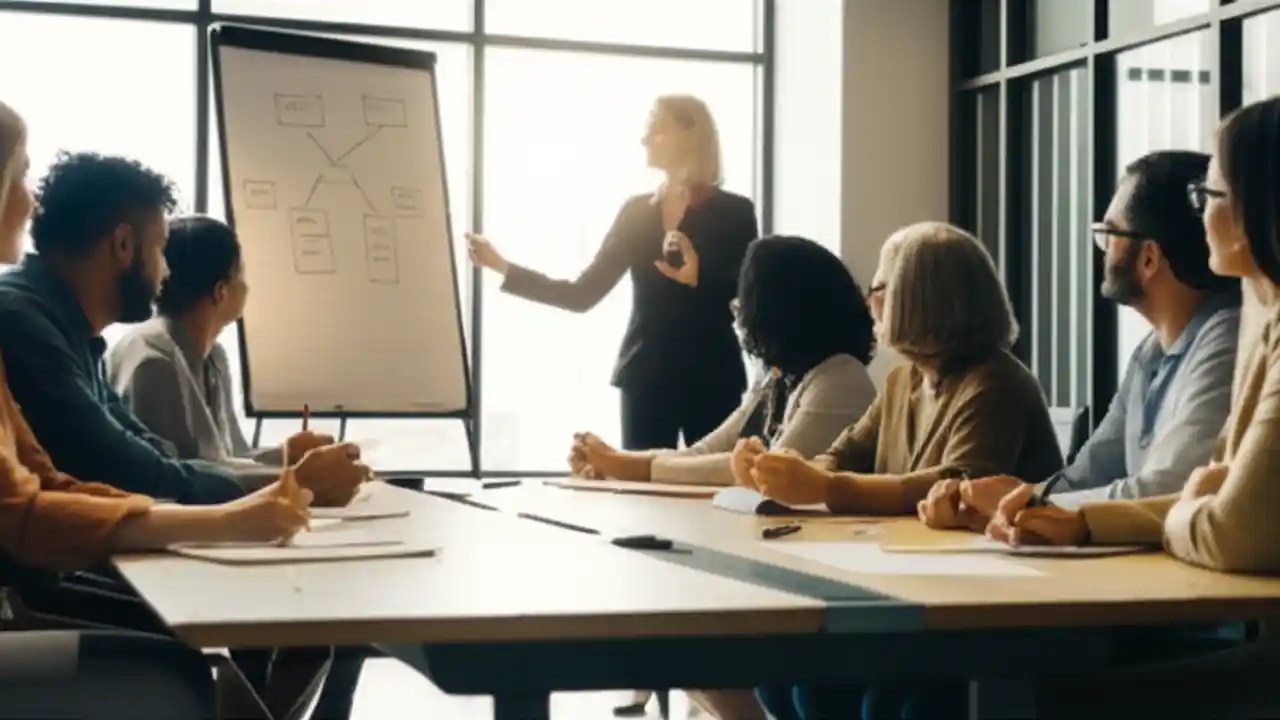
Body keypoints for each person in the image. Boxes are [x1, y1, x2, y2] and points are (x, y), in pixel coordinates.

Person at [0, 98, 331, 720]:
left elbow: (64, 476)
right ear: (124, 245)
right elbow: (80, 487)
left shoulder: (58, 325)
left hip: (32, 584)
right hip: (18, 599)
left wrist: (241, 506)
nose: (29, 200)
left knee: (228, 656)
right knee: (190, 669)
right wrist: (229, 516)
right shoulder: (20, 319)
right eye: (18, 175)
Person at [985, 94, 1280, 720]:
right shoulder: (1252, 324)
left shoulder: (1232, 333)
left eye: (1212, 197)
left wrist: (1198, 499)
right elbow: (1176, 489)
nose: (1201, 217)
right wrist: (1068, 516)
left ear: (1262, 208)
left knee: (1010, 698)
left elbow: (1231, 526)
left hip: (1248, 641)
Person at [750, 222, 1063, 720]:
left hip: (984, 609)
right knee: (785, 678)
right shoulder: (904, 381)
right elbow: (844, 452)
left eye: (879, 291)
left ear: (920, 300)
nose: (869, 304)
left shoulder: (996, 383)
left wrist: (824, 486)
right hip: (917, 589)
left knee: (852, 697)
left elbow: (955, 486)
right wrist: (792, 471)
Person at [0, 150, 366, 507]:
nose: (167, 272)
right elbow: (125, 471)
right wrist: (295, 484)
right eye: (160, 249)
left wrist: (288, 477)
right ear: (124, 245)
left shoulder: (73, 330)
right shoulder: (24, 323)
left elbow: (154, 456)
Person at [920, 151, 1241, 531]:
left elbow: (1168, 489)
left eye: (1110, 234)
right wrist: (1010, 504)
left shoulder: (1226, 339)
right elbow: (1088, 476)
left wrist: (1028, 503)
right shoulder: (1150, 353)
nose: (1102, 250)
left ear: (1149, 258)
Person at [468, 95, 759, 455]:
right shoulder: (636, 212)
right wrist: (502, 266)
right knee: (642, 496)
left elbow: (747, 298)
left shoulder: (736, 212)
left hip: (713, 375)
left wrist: (699, 277)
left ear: (690, 135)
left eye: (657, 130)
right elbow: (582, 294)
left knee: (713, 491)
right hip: (644, 376)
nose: (644, 139)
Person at [569, 235, 877, 488]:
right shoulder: (778, 379)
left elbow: (764, 471)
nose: (740, 316)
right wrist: (613, 461)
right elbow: (707, 453)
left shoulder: (840, 379)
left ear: (779, 314)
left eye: (745, 304)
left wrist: (624, 466)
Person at [106, 215, 360, 504]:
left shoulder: (213, 355)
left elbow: (229, 459)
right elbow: (180, 478)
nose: (247, 288)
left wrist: (286, 455)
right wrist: (300, 478)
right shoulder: (153, 362)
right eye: (241, 276)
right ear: (221, 291)